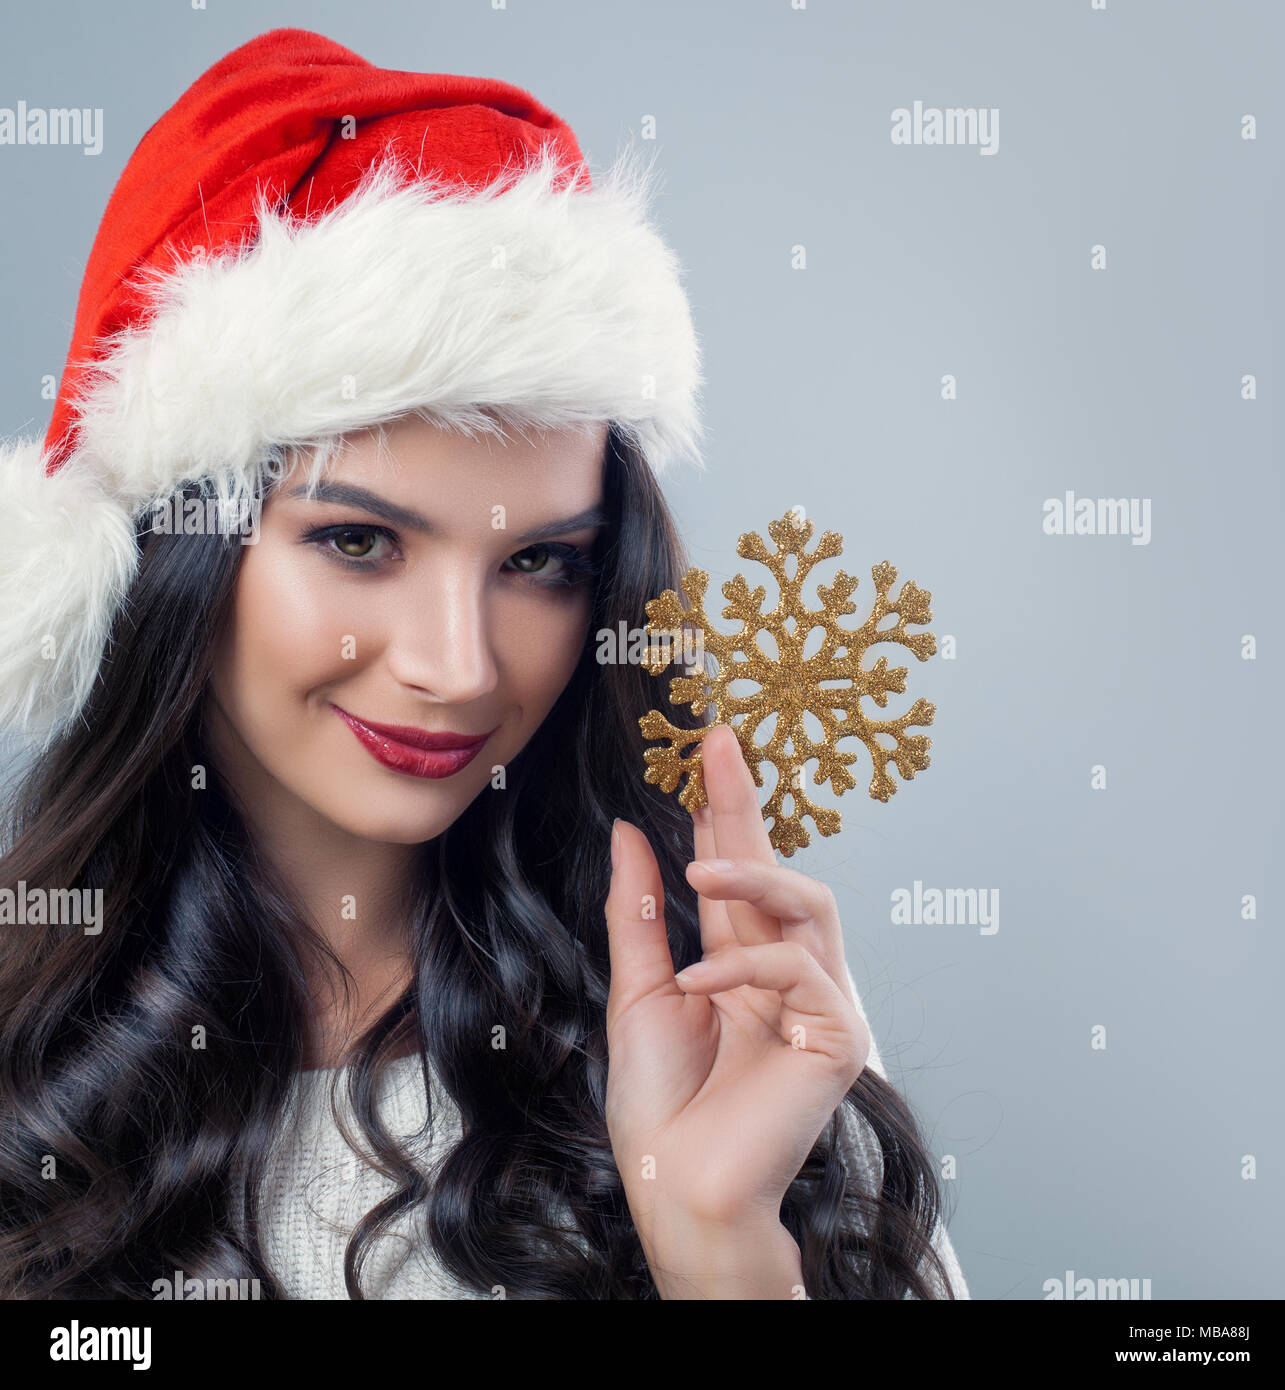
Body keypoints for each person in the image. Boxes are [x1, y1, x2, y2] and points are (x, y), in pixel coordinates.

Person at [0, 27, 968, 1300]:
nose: (459, 668)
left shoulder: (738, 1025)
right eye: (358, 540)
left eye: (540, 564)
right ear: (183, 554)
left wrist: (723, 1248)